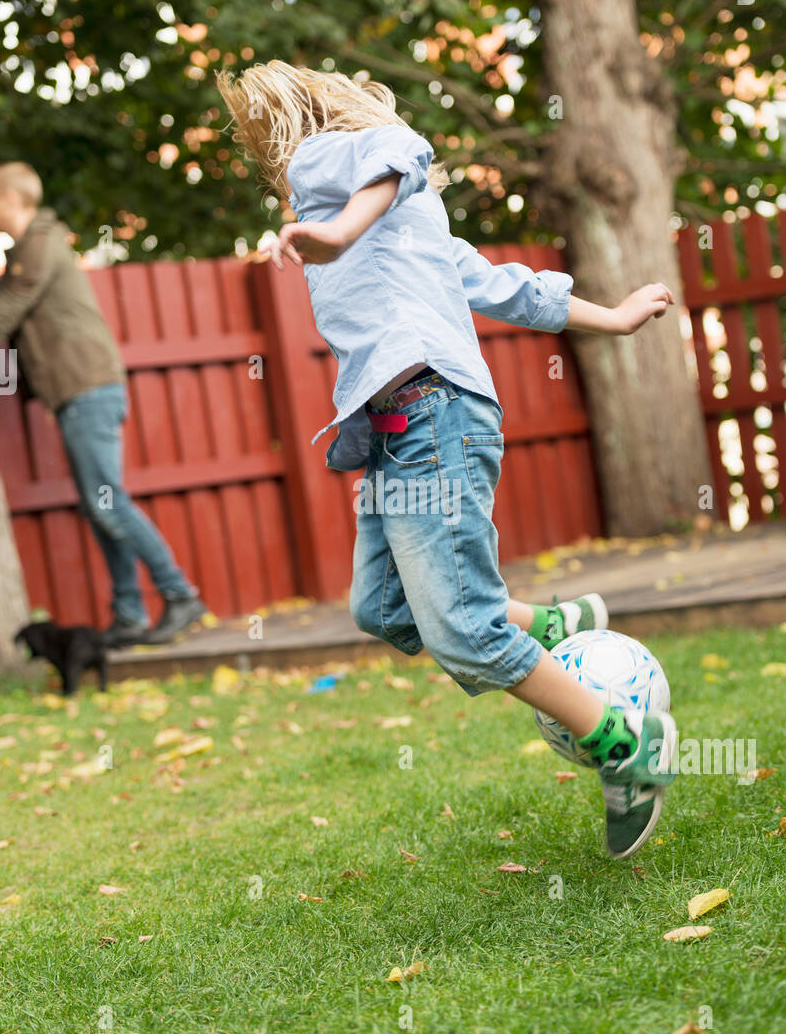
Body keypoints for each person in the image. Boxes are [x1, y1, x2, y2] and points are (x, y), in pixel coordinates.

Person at [216, 61, 677, 859]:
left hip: (434, 416)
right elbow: (510, 287)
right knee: (383, 611)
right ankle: (551, 622)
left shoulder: (333, 166)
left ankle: (624, 743)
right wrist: (615, 316)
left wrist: (332, 230)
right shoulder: (412, 220)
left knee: (461, 631)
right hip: (400, 435)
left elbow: (397, 145)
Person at [0, 162, 205, 647]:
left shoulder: (39, 245)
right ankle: (128, 614)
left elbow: (6, 307)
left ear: (11, 197)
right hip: (80, 392)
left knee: (107, 503)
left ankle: (180, 594)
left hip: (87, 390)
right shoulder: (30, 248)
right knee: (99, 504)